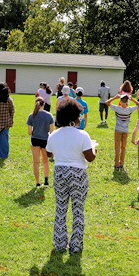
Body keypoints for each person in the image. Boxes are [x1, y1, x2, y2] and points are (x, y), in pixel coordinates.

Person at [45, 99, 97, 253]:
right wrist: (95, 149)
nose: (80, 118)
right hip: (78, 173)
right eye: (79, 116)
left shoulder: (54, 134)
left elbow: (49, 153)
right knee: (78, 209)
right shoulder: (82, 135)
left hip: (60, 172)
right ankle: (76, 245)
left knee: (61, 208)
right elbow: (90, 158)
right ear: (73, 118)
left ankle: (60, 244)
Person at [106, 83, 139, 170]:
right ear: (127, 102)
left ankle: (116, 164)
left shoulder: (117, 108)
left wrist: (115, 97)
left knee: (117, 147)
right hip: (126, 130)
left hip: (118, 130)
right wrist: (132, 99)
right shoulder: (130, 109)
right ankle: (122, 163)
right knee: (124, 147)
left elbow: (107, 103)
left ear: (121, 101)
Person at [27, 97, 55, 187]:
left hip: (35, 140)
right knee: (45, 161)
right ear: (44, 104)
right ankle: (46, 181)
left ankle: (38, 182)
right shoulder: (49, 115)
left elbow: (29, 132)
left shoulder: (31, 116)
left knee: (36, 162)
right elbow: (52, 132)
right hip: (45, 140)